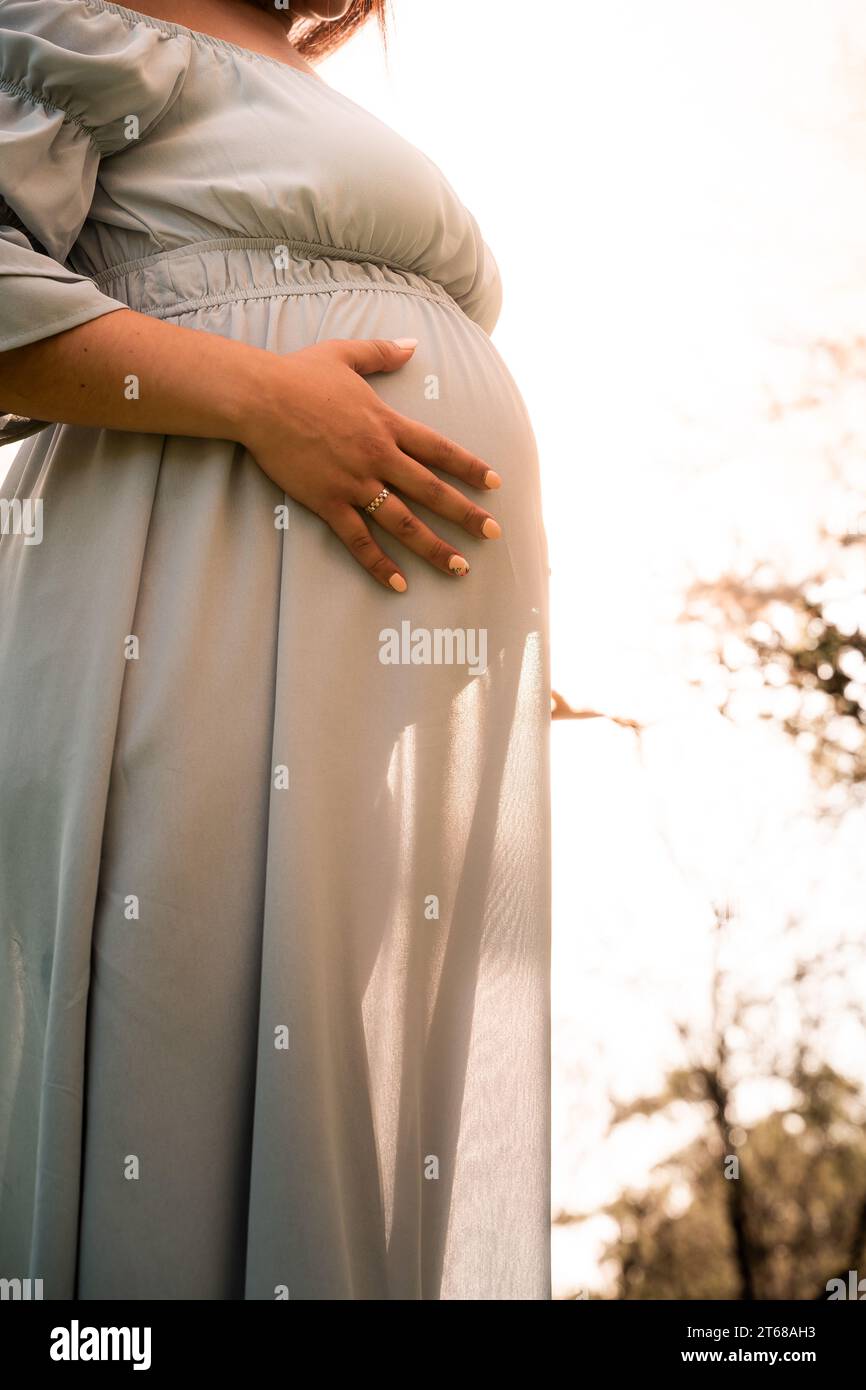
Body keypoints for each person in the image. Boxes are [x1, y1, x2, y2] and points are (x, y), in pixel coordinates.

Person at [0, 0, 551, 1300]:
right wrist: (262, 399)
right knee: (167, 1049)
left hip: (361, 654)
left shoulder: (284, 70)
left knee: (299, 1079)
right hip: (179, 581)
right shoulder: (77, 24)